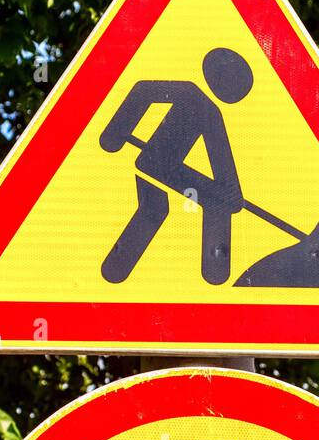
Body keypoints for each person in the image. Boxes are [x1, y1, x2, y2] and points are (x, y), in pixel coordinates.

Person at [99, 47, 253, 285]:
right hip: (154, 161)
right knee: (155, 209)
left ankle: (215, 271)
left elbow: (222, 162)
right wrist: (114, 134)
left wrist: (232, 195)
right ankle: (114, 271)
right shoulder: (191, 95)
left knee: (190, 206)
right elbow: (142, 92)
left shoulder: (211, 113)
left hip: (167, 168)